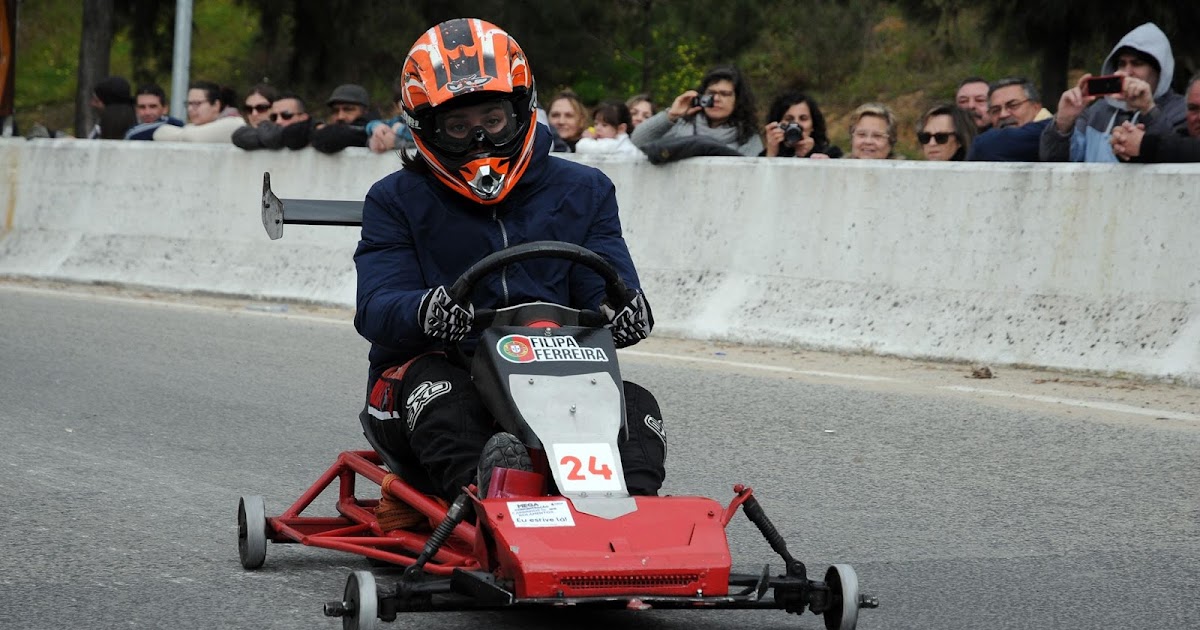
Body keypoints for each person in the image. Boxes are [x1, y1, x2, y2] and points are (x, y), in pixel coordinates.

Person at [355, 18, 664, 524]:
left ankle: (630, 519)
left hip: (552, 368)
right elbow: (376, 306)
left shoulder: (584, 190)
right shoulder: (394, 200)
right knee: (445, 401)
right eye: (458, 127)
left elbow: (605, 281)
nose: (479, 139)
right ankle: (486, 502)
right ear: (427, 128)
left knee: (635, 404)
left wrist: (623, 307)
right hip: (437, 370)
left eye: (493, 120)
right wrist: (425, 310)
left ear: (521, 111)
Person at [1041, 23, 1185, 163]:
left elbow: (1176, 157)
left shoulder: (1181, 110)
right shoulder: (1096, 111)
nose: (1127, 72)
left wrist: (1149, 110)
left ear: (1160, 72)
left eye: (1137, 63)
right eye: (1122, 64)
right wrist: (1063, 124)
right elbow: (1053, 161)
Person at [630, 65, 763, 157]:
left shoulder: (747, 137)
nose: (716, 99)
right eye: (711, 93)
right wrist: (671, 115)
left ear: (738, 100)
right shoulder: (681, 125)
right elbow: (637, 141)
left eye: (725, 94)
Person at [1111, 73, 1200, 163]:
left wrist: (1144, 144)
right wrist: (1126, 144)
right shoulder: (1180, 136)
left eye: (1137, 64)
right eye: (1193, 108)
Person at [967, 77, 1053, 161]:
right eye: (995, 110)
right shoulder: (987, 144)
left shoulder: (1059, 132)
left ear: (1036, 107)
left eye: (1013, 105)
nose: (1003, 115)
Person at [153, 80, 246, 143]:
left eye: (197, 104)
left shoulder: (234, 123)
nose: (190, 109)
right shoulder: (196, 127)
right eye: (188, 104)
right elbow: (159, 133)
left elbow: (191, 137)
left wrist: (184, 132)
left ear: (216, 105)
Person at [761, 90, 842, 159]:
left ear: (813, 125)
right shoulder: (764, 156)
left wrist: (812, 153)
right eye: (789, 119)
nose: (796, 124)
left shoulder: (831, 153)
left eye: (803, 118)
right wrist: (771, 154)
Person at [231, 93, 312, 150]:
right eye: (274, 117)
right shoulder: (269, 132)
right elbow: (239, 136)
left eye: (286, 115)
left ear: (303, 117)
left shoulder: (313, 131)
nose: (278, 121)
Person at [309, 83, 372, 153]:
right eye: (335, 111)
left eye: (348, 109)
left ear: (365, 111)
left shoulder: (372, 130)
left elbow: (332, 137)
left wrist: (317, 129)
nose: (340, 117)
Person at [574, 100, 642, 156]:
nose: (598, 128)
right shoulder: (624, 143)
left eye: (604, 125)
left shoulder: (614, 144)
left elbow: (581, 147)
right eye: (596, 124)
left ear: (621, 128)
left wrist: (587, 139)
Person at [366, 79, 416, 154]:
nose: (412, 105)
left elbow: (424, 139)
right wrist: (377, 128)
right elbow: (370, 125)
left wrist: (399, 134)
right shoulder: (398, 121)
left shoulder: (432, 122)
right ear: (396, 106)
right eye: (406, 101)